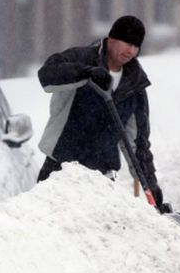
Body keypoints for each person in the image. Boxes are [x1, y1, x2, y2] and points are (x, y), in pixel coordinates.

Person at [36, 15, 165, 210]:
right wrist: (86, 73)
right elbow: (47, 75)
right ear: (111, 38)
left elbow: (138, 143)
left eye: (136, 46)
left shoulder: (135, 83)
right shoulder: (82, 58)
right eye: (127, 42)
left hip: (102, 179)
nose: (131, 50)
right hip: (60, 169)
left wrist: (150, 184)